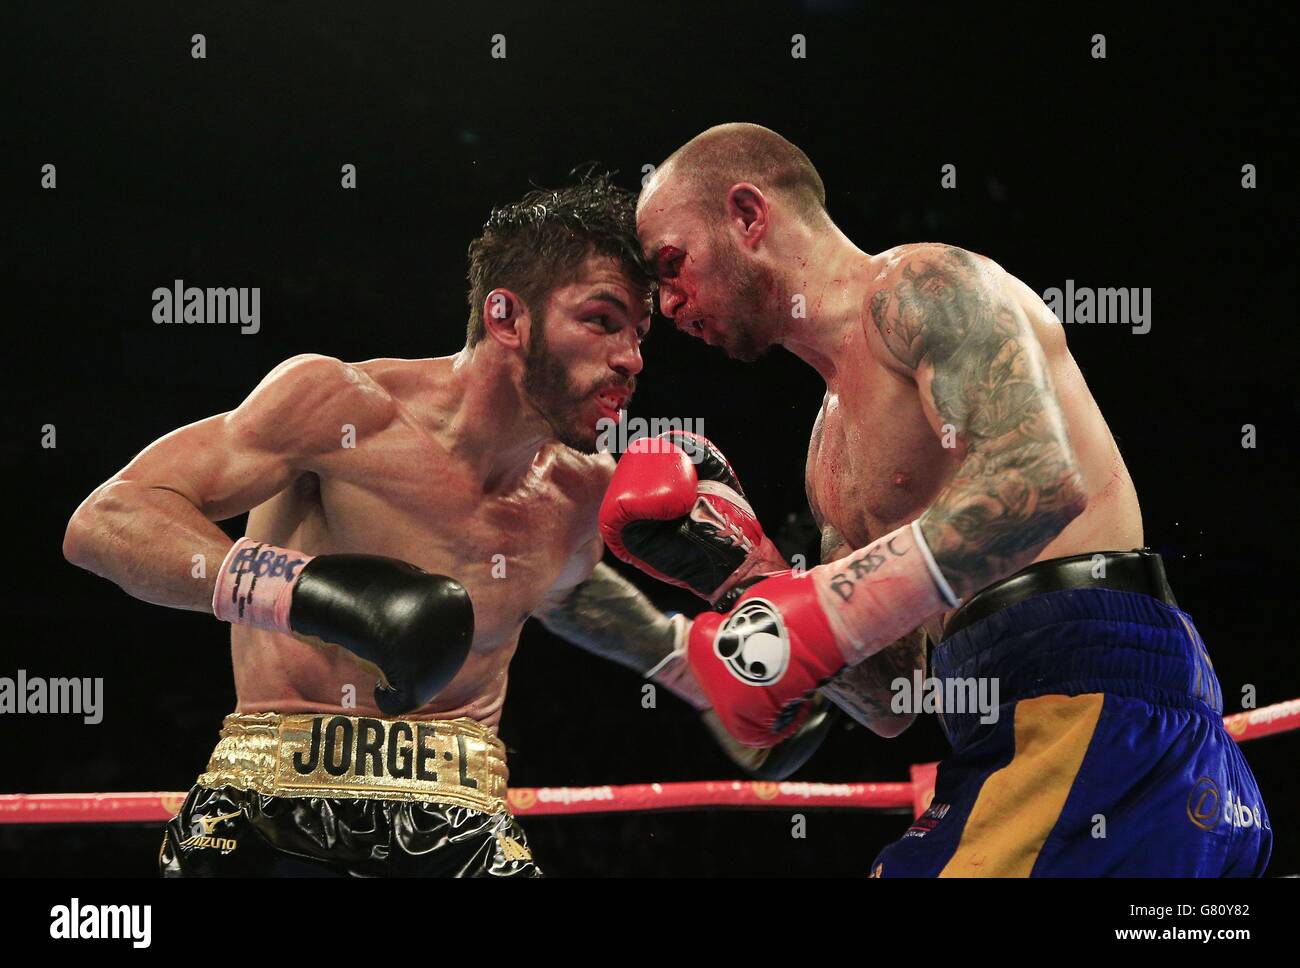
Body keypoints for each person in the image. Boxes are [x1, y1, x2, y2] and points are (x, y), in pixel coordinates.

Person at [62, 173, 829, 878]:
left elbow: (564, 595)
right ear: (505, 316)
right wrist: (305, 590)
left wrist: (694, 673)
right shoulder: (340, 407)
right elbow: (109, 517)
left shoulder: (579, 496)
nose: (630, 359)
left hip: (460, 826)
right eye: (601, 321)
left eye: (638, 336)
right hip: (275, 803)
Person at [606, 123, 1271, 876]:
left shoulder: (924, 288)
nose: (665, 303)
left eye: (671, 264)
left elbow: (1037, 481)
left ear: (749, 215)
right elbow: (893, 699)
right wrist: (745, 577)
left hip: (1093, 693)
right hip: (1002, 727)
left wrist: (821, 608)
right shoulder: (827, 455)